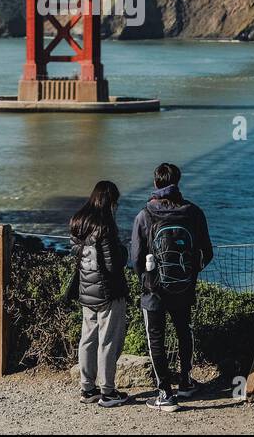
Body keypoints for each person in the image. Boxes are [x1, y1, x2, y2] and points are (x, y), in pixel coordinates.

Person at [130, 162, 213, 412]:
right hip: (184, 288)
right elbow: (206, 252)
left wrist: (145, 278)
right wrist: (189, 272)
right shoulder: (194, 213)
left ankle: (165, 394)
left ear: (155, 183)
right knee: (183, 332)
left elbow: (135, 258)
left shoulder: (144, 215)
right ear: (178, 181)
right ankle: (186, 382)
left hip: (153, 290)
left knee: (156, 339)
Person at [69, 180, 130, 407]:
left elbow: (78, 252)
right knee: (108, 341)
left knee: (88, 338)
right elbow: (114, 265)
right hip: (108, 292)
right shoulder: (105, 226)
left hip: (86, 289)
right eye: (115, 202)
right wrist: (123, 250)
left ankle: (87, 389)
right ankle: (108, 392)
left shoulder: (78, 220)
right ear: (110, 200)